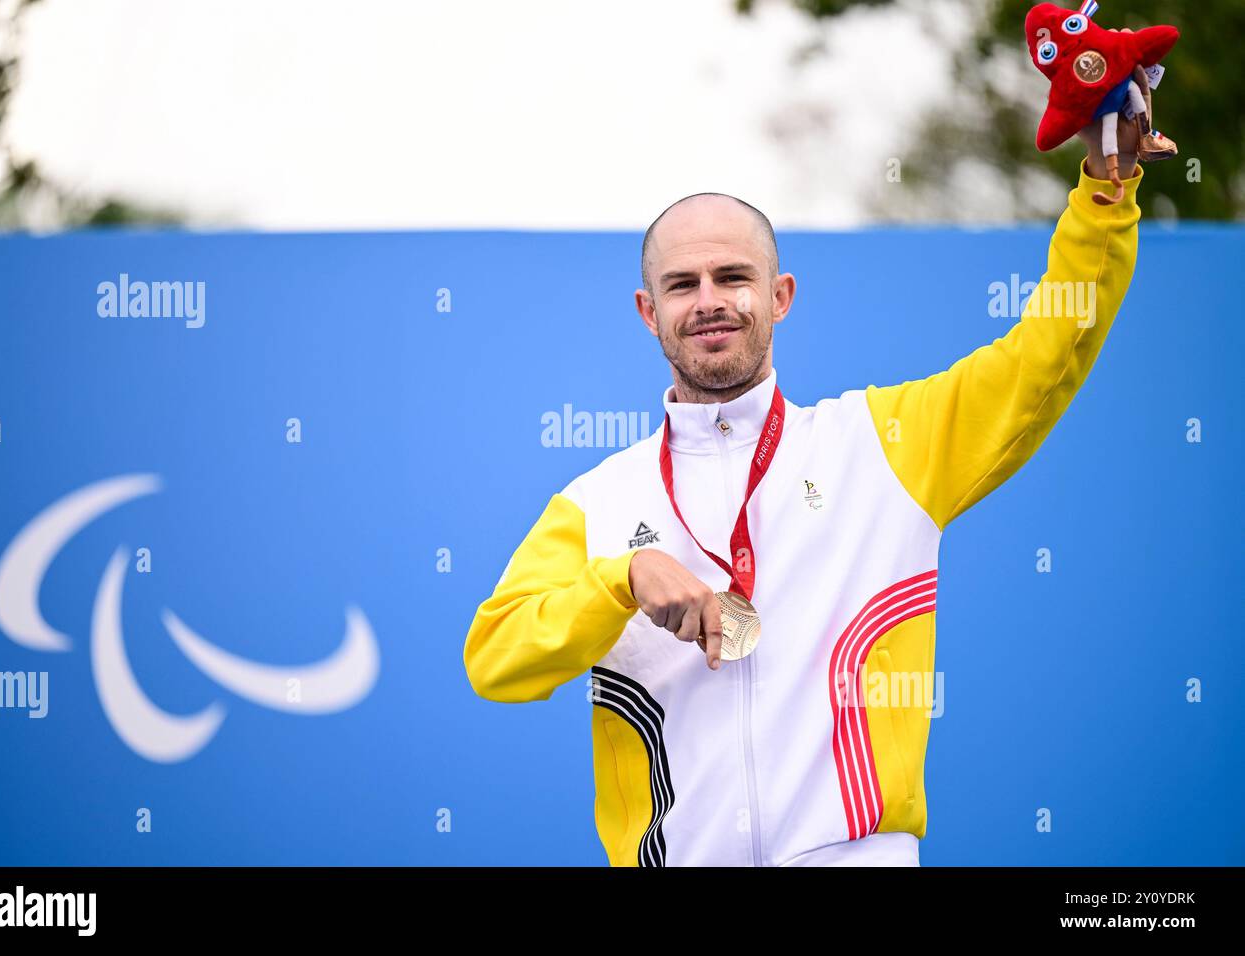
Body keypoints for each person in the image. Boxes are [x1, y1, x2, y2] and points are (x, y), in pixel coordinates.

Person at [462, 95, 1148, 866]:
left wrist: (1105, 187)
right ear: (647, 313)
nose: (711, 301)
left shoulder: (883, 443)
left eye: (733, 276)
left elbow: (1049, 351)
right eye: (682, 285)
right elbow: (494, 659)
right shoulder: (596, 503)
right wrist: (618, 580)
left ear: (780, 297)